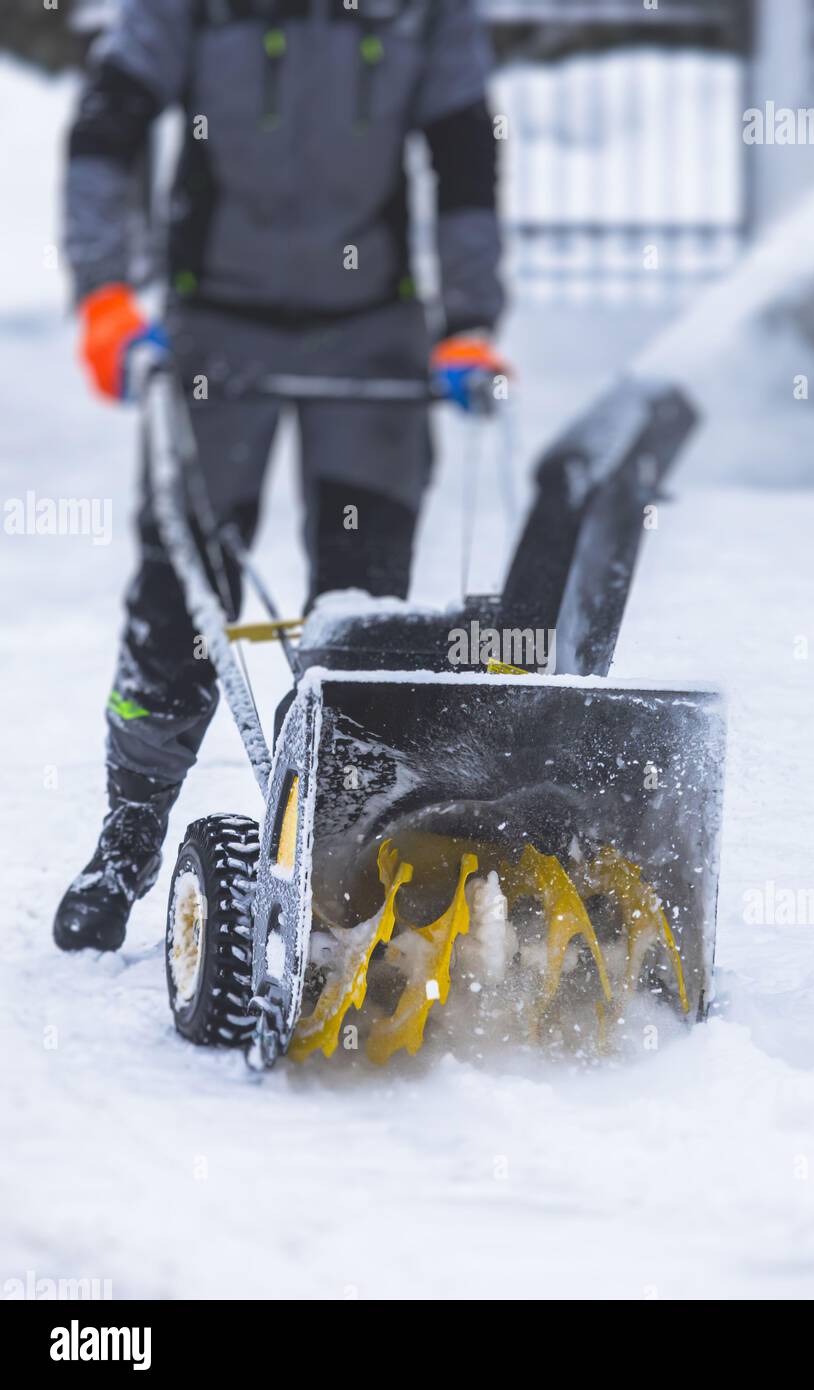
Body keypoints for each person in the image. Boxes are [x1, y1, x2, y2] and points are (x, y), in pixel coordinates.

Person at [54, 0, 507, 952]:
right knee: (184, 596)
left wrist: (469, 316)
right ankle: (128, 838)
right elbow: (110, 122)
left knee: (360, 612)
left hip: (370, 335)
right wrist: (104, 294)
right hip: (216, 325)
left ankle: (349, 860)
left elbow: (465, 147)